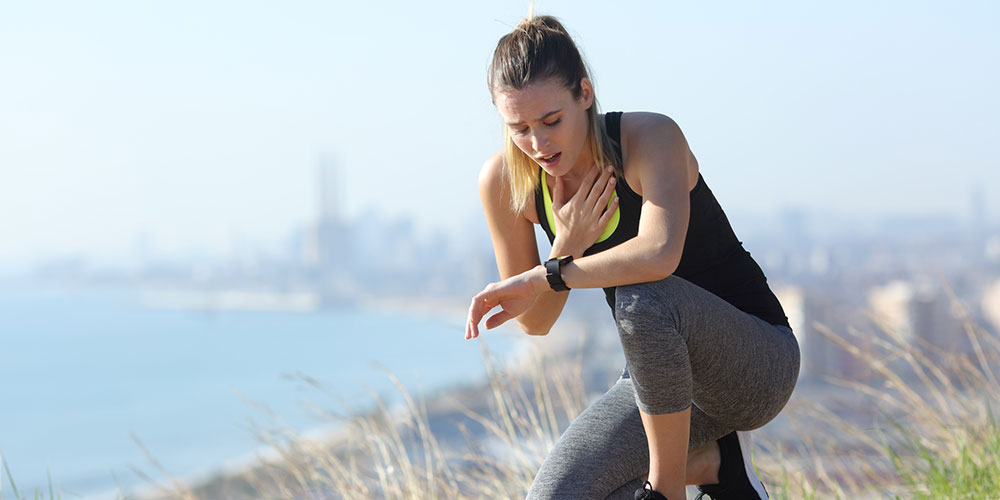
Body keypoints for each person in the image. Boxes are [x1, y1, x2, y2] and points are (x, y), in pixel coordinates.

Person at [465, 15, 801, 500]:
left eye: (551, 121)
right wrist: (564, 248)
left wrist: (548, 275)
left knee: (642, 295)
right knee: (556, 496)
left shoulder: (649, 139)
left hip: (755, 364)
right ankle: (716, 464)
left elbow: (659, 256)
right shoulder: (504, 182)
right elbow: (535, 323)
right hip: (659, 383)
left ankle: (665, 491)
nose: (537, 144)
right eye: (518, 128)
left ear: (585, 93)